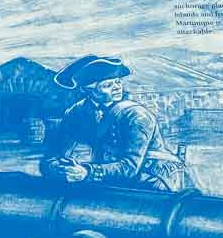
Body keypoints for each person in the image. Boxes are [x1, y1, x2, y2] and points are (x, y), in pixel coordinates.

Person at [41, 55, 196, 192]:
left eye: (118, 82)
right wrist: (58, 168)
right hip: (110, 176)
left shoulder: (136, 115)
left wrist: (87, 172)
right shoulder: (75, 113)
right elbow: (53, 154)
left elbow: (130, 167)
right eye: (107, 85)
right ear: (88, 90)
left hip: (154, 179)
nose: (116, 88)